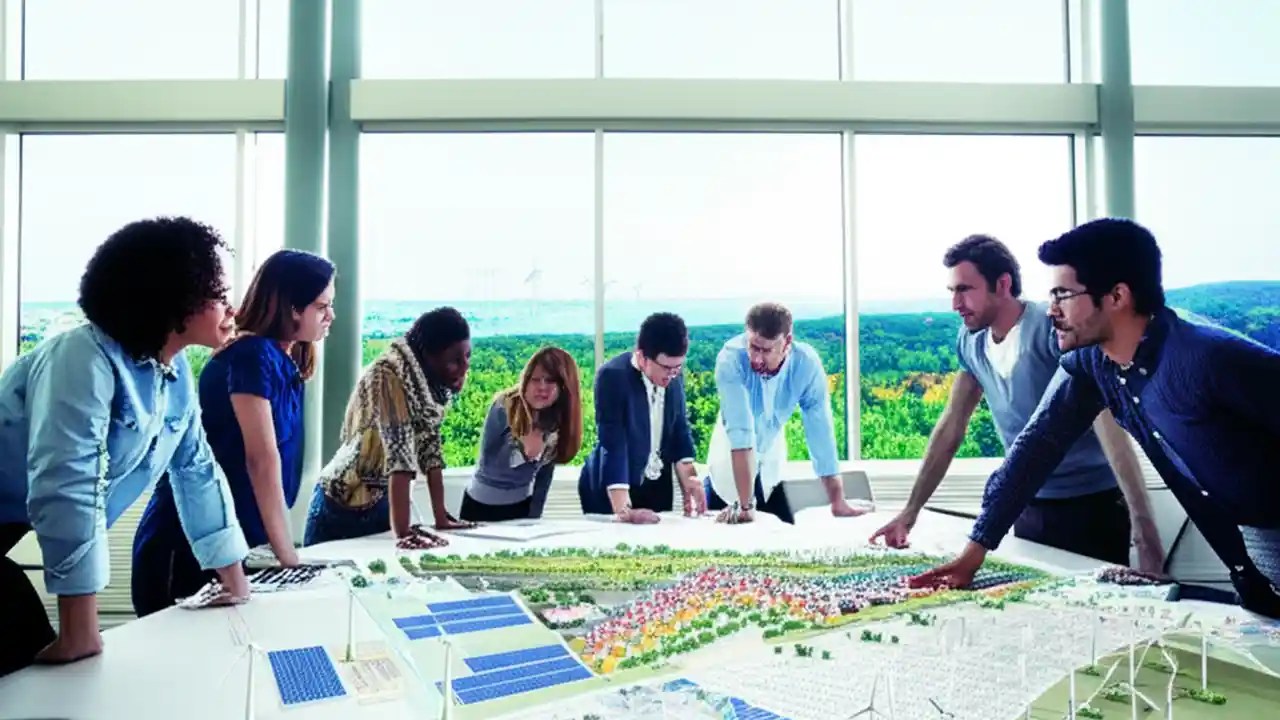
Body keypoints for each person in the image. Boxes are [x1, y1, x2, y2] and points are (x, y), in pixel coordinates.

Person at [909, 218, 1280, 619]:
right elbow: (1036, 446)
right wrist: (974, 550)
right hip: (1247, 557)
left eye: (1063, 295)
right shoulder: (1091, 364)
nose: (1051, 311)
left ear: (1117, 296)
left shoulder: (1209, 358)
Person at [0, 217, 251, 677]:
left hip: (10, 521)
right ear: (173, 298)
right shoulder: (81, 357)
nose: (232, 307)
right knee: (27, 662)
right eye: (219, 295)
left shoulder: (173, 375)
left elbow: (198, 471)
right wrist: (80, 632)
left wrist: (236, 585)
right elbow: (70, 483)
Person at [870, 235, 1162, 570]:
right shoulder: (970, 342)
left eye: (964, 289)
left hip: (1091, 505)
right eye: (952, 291)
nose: (955, 303)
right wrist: (910, 512)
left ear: (1003, 283)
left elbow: (1109, 424)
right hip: (1025, 505)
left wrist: (1145, 532)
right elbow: (951, 426)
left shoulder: (1053, 329)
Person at [131, 249, 335, 616]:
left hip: (234, 548)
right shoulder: (252, 355)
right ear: (292, 308)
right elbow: (261, 460)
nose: (330, 316)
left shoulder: (284, 360)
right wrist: (289, 556)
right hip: (191, 548)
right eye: (322, 306)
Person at [304, 306, 475, 547]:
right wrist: (403, 533)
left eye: (467, 356)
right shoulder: (387, 375)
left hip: (381, 505)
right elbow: (400, 454)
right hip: (339, 508)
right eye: (454, 361)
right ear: (429, 356)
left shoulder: (426, 386)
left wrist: (441, 516)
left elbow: (430, 448)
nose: (465, 367)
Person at [705, 302, 863, 524]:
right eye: (753, 347)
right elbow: (741, 432)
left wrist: (838, 501)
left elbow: (820, 431)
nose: (757, 359)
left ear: (787, 342)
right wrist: (745, 506)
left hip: (771, 458)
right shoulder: (730, 359)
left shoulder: (806, 364)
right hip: (730, 458)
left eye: (766, 350)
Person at [578, 312, 704, 522]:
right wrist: (623, 511)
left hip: (655, 482)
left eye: (678, 367)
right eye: (666, 368)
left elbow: (679, 430)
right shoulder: (612, 376)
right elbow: (614, 443)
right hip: (612, 485)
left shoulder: (674, 373)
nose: (672, 375)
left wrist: (690, 480)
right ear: (642, 356)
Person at [460, 347, 584, 522]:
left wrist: (533, 519)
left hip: (522, 507)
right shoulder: (505, 405)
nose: (542, 388)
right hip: (480, 505)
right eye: (535, 380)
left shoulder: (559, 420)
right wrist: (524, 449)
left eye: (550, 381)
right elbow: (490, 463)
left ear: (565, 387)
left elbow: (544, 477)